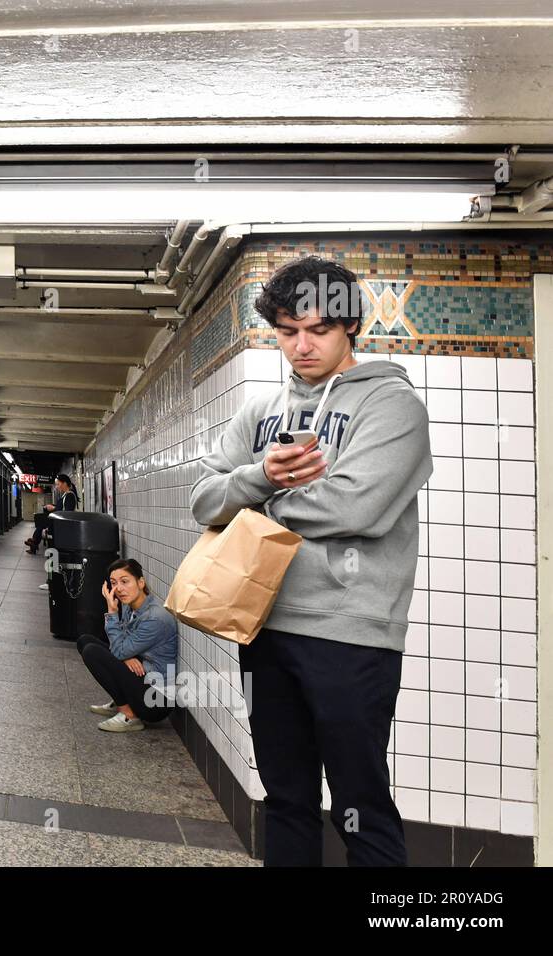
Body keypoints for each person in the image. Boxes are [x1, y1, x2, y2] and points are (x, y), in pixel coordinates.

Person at [190, 255, 432, 867]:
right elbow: (202, 500)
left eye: (318, 330)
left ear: (351, 327)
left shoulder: (391, 404)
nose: (301, 346)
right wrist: (257, 475)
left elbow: (357, 506)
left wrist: (254, 504)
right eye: (287, 331)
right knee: (286, 800)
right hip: (264, 626)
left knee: (361, 805)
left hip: (350, 634)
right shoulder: (259, 411)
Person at [78, 559, 178, 732]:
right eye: (114, 583)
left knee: (92, 651)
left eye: (125, 581)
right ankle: (122, 701)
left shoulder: (155, 618)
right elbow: (122, 646)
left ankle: (129, 715)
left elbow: (118, 650)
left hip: (156, 700)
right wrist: (127, 657)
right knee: (85, 640)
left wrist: (111, 613)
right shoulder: (129, 606)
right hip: (142, 679)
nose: (119, 589)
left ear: (140, 582)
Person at [25, 474, 76, 555]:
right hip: (56, 522)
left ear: (65, 483)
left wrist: (53, 509)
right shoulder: (65, 495)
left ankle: (34, 542)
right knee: (39, 520)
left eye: (58, 484)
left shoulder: (69, 496)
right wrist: (53, 507)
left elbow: (67, 513)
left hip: (60, 525)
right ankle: (34, 542)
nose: (57, 486)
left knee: (40, 522)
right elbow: (61, 508)